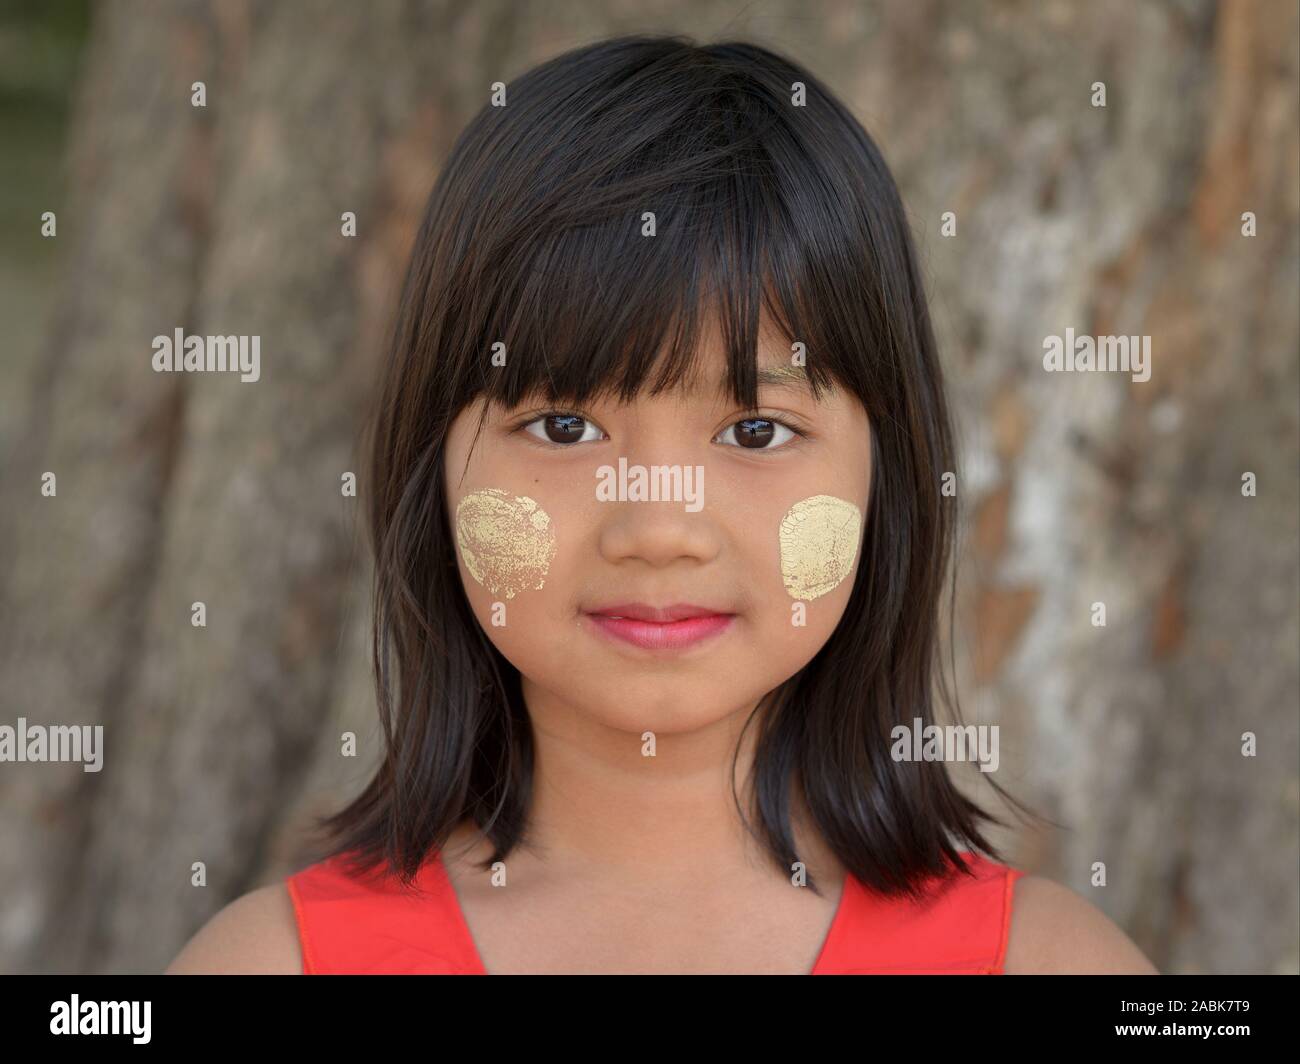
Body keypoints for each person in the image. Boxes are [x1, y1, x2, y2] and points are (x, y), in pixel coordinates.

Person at [168, 33, 1158, 975]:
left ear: (883, 477)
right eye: (563, 427)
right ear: (432, 464)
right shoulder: (276, 962)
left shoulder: (1042, 960)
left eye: (755, 431)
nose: (657, 525)